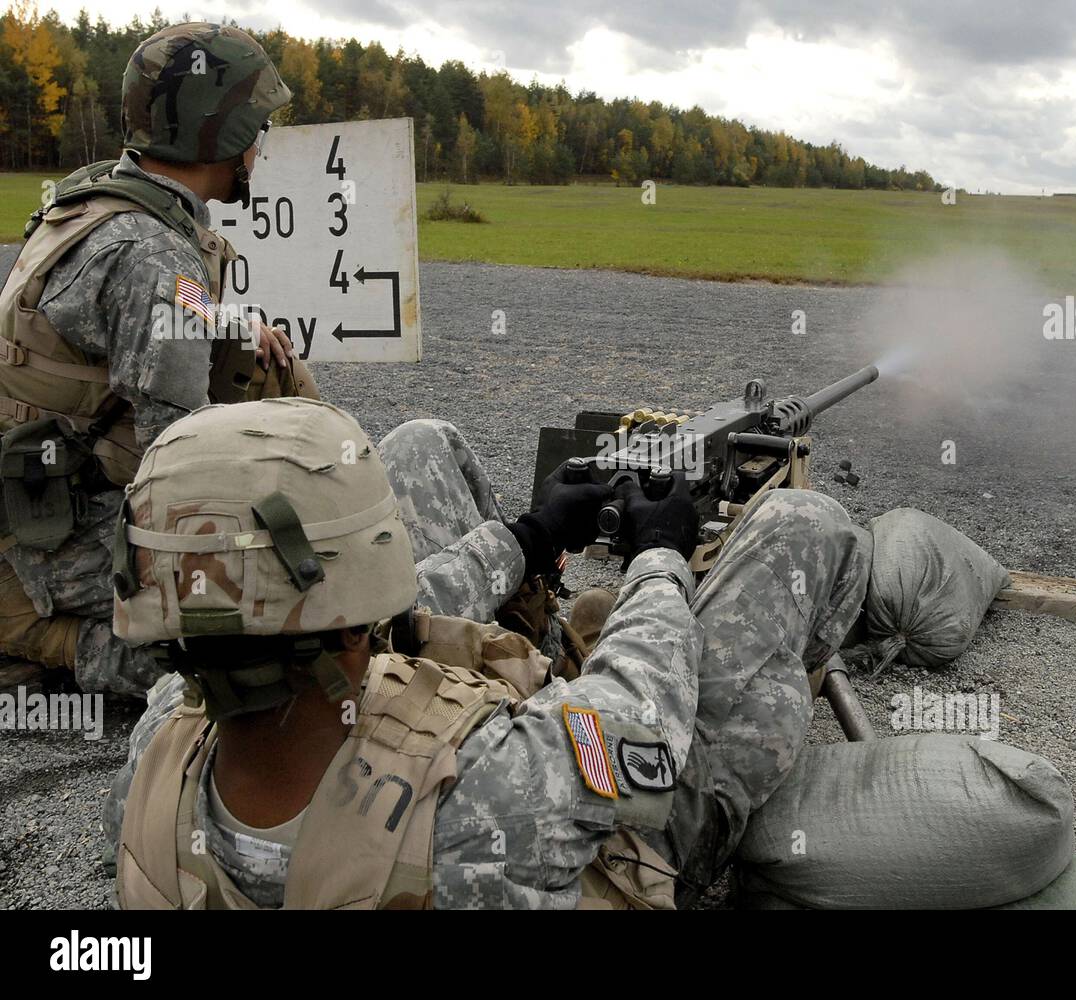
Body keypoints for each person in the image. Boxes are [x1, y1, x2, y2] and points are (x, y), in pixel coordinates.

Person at [104, 397, 870, 908]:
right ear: (348, 632)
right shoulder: (490, 791)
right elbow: (645, 719)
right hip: (627, 813)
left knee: (424, 442)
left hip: (459, 760)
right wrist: (659, 558)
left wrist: (528, 539)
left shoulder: (159, 745)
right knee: (807, 523)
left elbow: (364, 620)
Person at [0, 23, 310, 695]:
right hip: (44, 551)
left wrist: (224, 323)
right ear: (219, 136)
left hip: (36, 510)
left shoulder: (101, 202)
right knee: (275, 648)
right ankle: (50, 638)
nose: (260, 144)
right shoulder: (149, 254)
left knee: (254, 358)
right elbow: (179, 470)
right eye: (255, 125)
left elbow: (154, 313)